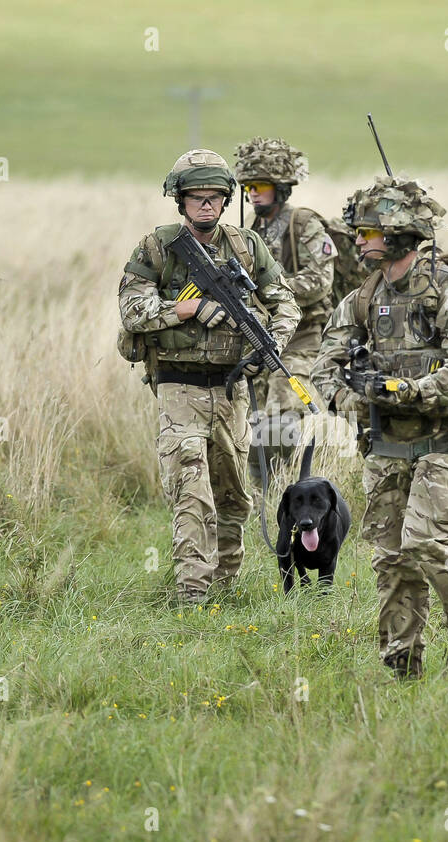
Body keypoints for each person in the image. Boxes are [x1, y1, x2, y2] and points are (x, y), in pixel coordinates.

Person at [312, 176, 448, 679]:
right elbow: (323, 366)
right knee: (391, 557)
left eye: (368, 231)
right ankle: (402, 664)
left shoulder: (447, 292)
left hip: (442, 440)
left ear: (397, 235)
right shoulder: (363, 297)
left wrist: (414, 391)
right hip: (386, 444)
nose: (359, 239)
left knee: (423, 540)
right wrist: (350, 399)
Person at [118, 149, 301, 604]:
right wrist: (189, 307)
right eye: (195, 197)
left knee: (233, 495)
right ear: (180, 201)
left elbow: (286, 304)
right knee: (192, 490)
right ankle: (192, 594)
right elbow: (131, 311)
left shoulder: (246, 247)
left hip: (231, 388)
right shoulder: (157, 248)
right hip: (179, 388)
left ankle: (225, 585)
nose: (205, 205)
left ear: (225, 200)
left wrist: (269, 345)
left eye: (214, 197)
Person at [233, 137, 336, 509]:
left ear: (279, 188)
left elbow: (321, 280)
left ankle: (305, 494)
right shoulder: (250, 232)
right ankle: (264, 500)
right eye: (248, 188)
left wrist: (272, 289)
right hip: (262, 339)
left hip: (304, 337)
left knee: (283, 412)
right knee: (253, 421)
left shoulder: (303, 223)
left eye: (258, 187)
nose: (252, 195)